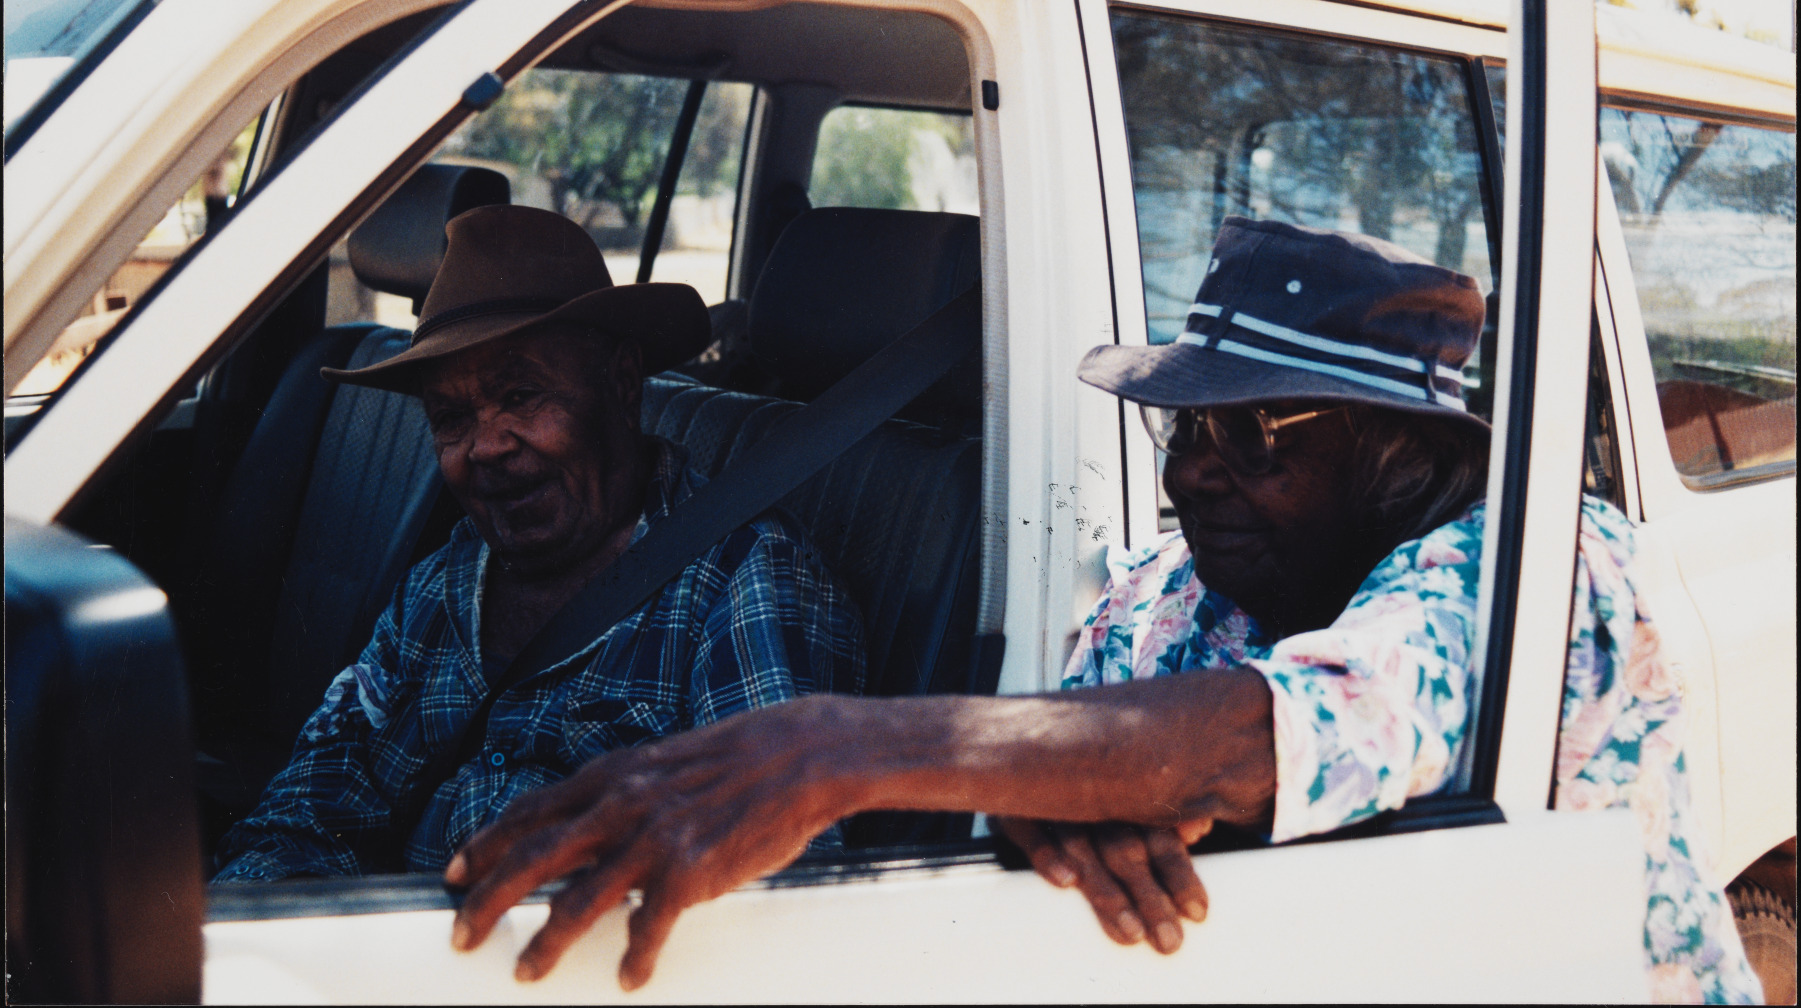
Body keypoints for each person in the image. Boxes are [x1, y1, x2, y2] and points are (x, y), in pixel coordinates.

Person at [441, 218, 1760, 1004]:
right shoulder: (1166, 588)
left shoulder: (1532, 563)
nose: (1193, 468)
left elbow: (1283, 732)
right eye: (1184, 422)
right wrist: (1047, 793)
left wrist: (842, 746)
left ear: (1398, 456)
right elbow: (1066, 783)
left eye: (1255, 430)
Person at [213, 204, 866, 881]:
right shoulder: (441, 584)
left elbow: (771, 890)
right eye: (451, 418)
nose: (487, 447)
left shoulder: (744, 580)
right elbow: (306, 808)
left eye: (521, 395)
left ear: (618, 383)